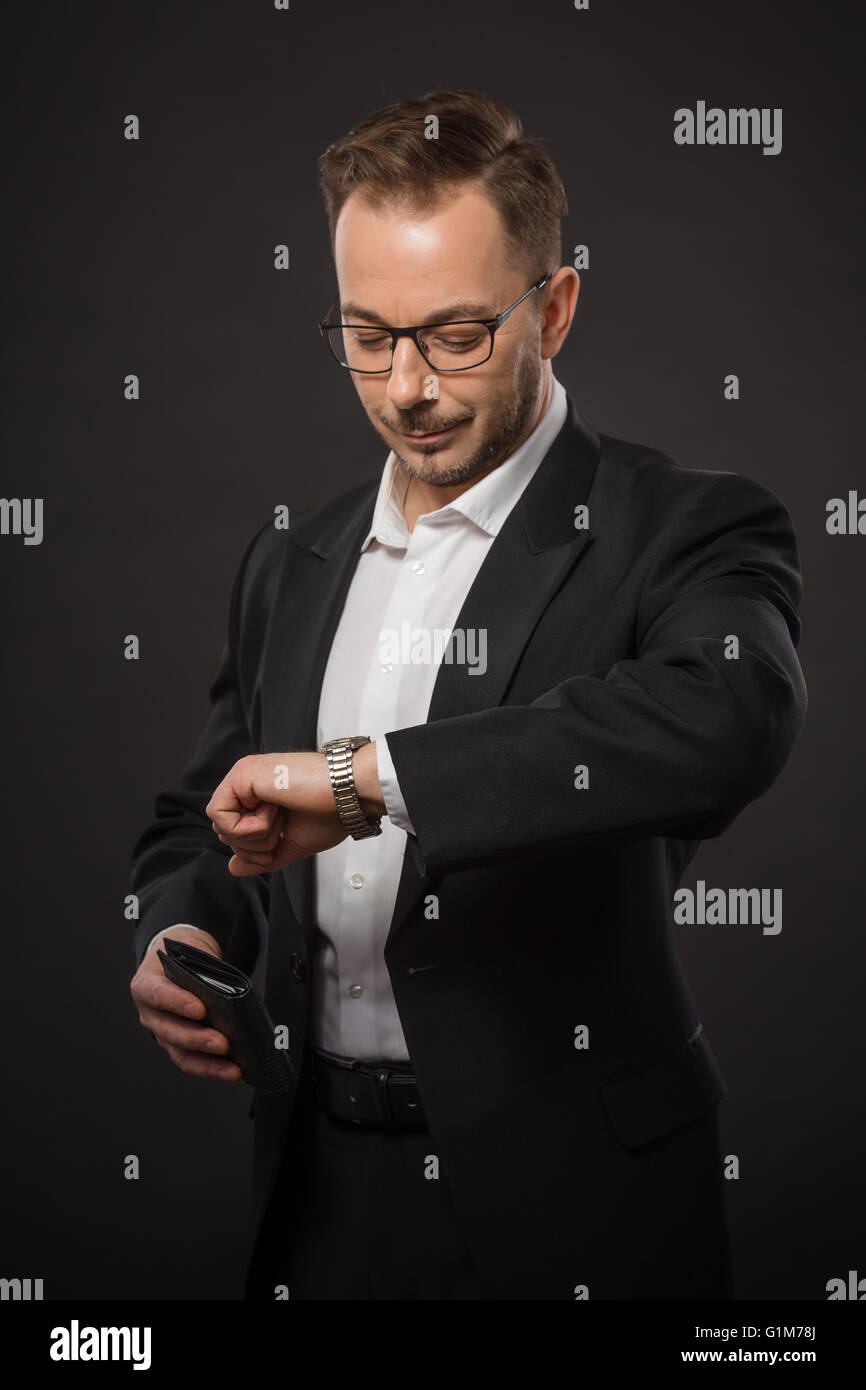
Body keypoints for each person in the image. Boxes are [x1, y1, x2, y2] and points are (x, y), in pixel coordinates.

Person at [129, 89, 807, 1300]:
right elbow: (202, 809)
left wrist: (359, 778)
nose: (404, 389)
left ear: (554, 306)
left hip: (580, 1200)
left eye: (454, 335)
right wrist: (179, 932)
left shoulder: (689, 524)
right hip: (315, 1190)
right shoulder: (291, 555)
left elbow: (726, 718)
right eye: (364, 334)